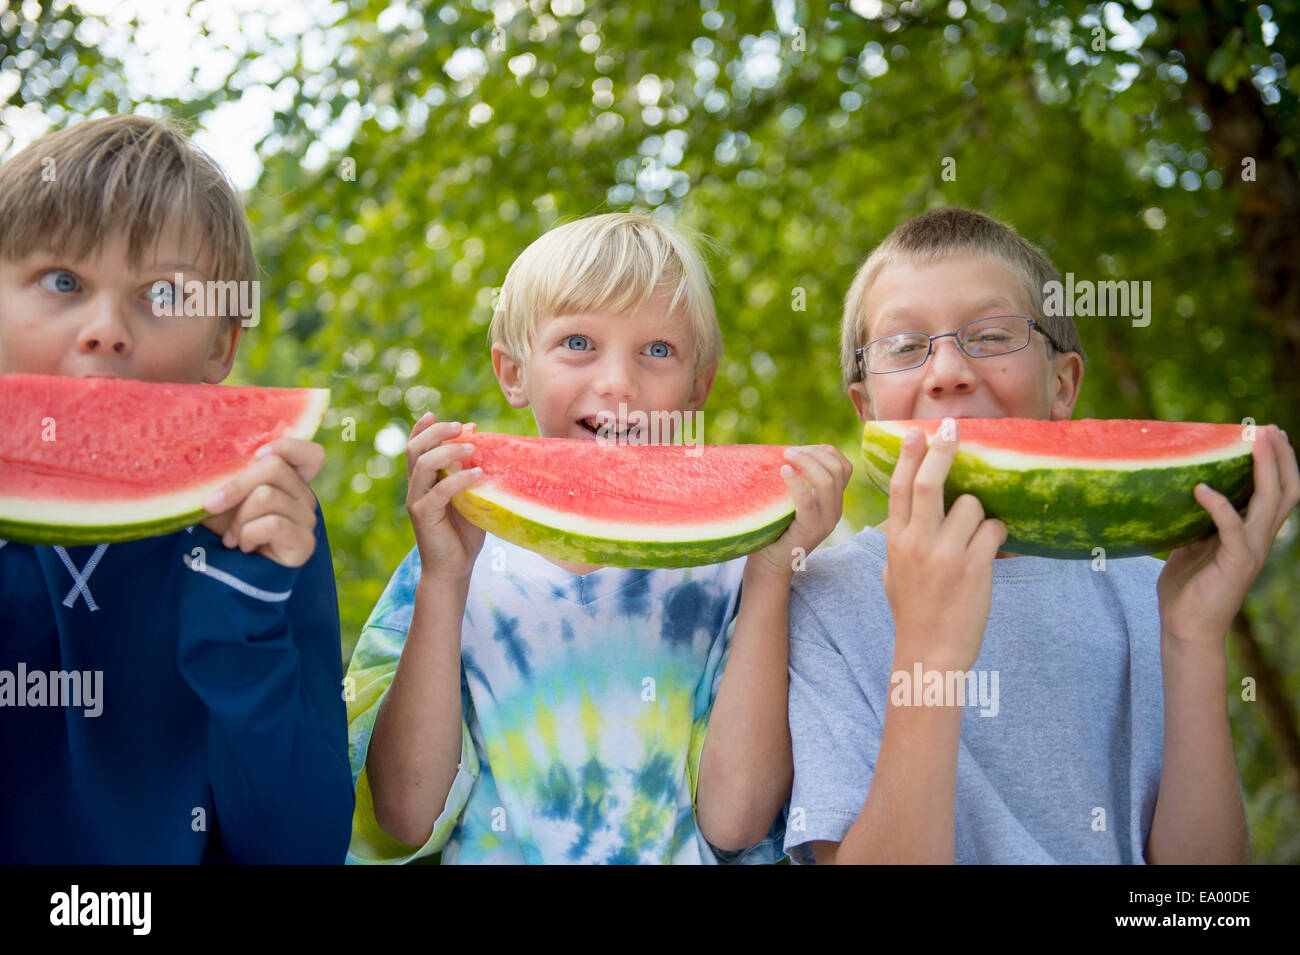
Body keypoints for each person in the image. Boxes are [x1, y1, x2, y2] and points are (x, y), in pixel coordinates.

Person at [782, 206, 1299, 864]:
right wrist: (928, 651)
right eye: (906, 346)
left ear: (1063, 386)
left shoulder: (1150, 587)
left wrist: (1191, 639)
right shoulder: (823, 599)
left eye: (992, 336)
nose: (946, 370)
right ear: (868, 409)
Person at [345, 212, 852, 863]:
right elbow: (406, 811)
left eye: (658, 350)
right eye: (578, 342)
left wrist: (773, 569)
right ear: (511, 371)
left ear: (699, 386)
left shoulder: (736, 571)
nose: (618, 380)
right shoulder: (450, 563)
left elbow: (737, 819)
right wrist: (444, 580)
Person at [0, 115, 354, 863]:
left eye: (163, 294)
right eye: (62, 281)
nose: (105, 329)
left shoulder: (267, 523)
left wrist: (245, 620)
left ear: (221, 342)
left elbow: (301, 848)